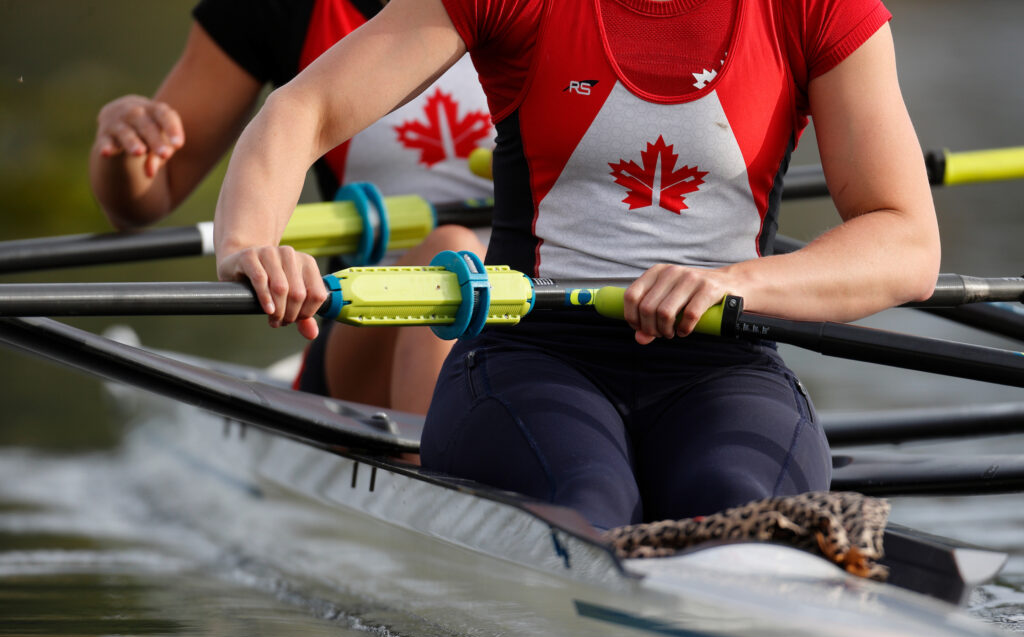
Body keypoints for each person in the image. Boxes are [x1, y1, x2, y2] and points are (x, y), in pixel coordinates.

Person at [209, 0, 941, 529]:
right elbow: (300, 111)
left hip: (725, 365)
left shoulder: (820, 11)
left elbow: (907, 242)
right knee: (589, 502)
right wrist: (247, 246)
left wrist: (735, 282)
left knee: (740, 502)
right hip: (532, 356)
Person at [88, 0, 489, 414]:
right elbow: (150, 195)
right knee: (452, 260)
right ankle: (431, 470)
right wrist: (130, 149)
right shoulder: (284, 10)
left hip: (543, 306)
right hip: (368, 334)